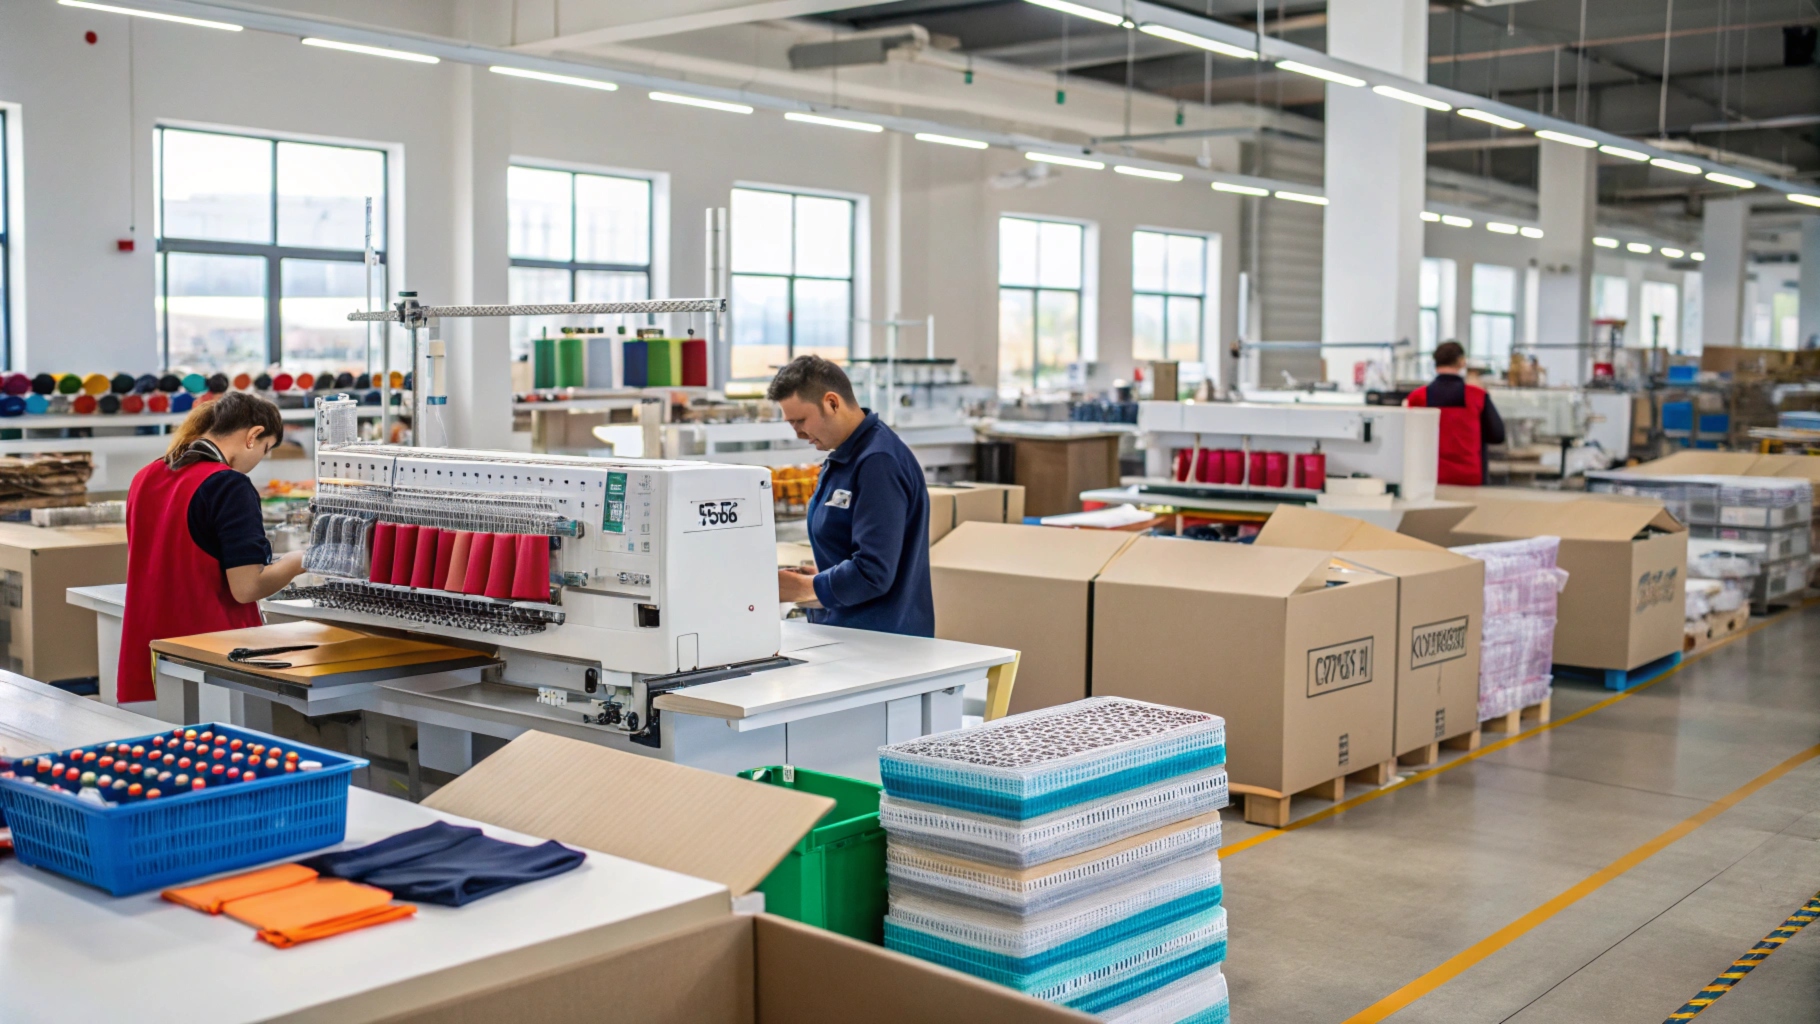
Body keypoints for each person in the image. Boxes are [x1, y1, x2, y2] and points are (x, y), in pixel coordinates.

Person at [117, 392, 306, 703]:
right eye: (265, 449)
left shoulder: (147, 475)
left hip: (153, 648)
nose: (260, 459)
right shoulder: (229, 485)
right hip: (213, 654)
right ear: (253, 436)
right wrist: (305, 559)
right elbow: (246, 587)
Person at [769, 355, 934, 637]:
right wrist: (819, 578)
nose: (798, 434)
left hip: (882, 640)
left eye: (800, 420)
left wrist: (802, 588)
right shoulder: (844, 459)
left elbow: (873, 572)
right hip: (850, 633)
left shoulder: (878, 462)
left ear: (832, 403)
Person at [1404, 341, 1506, 486]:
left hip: (1428, 477)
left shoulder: (1417, 397)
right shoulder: (1477, 396)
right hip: (1469, 478)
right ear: (1461, 362)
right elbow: (1497, 435)